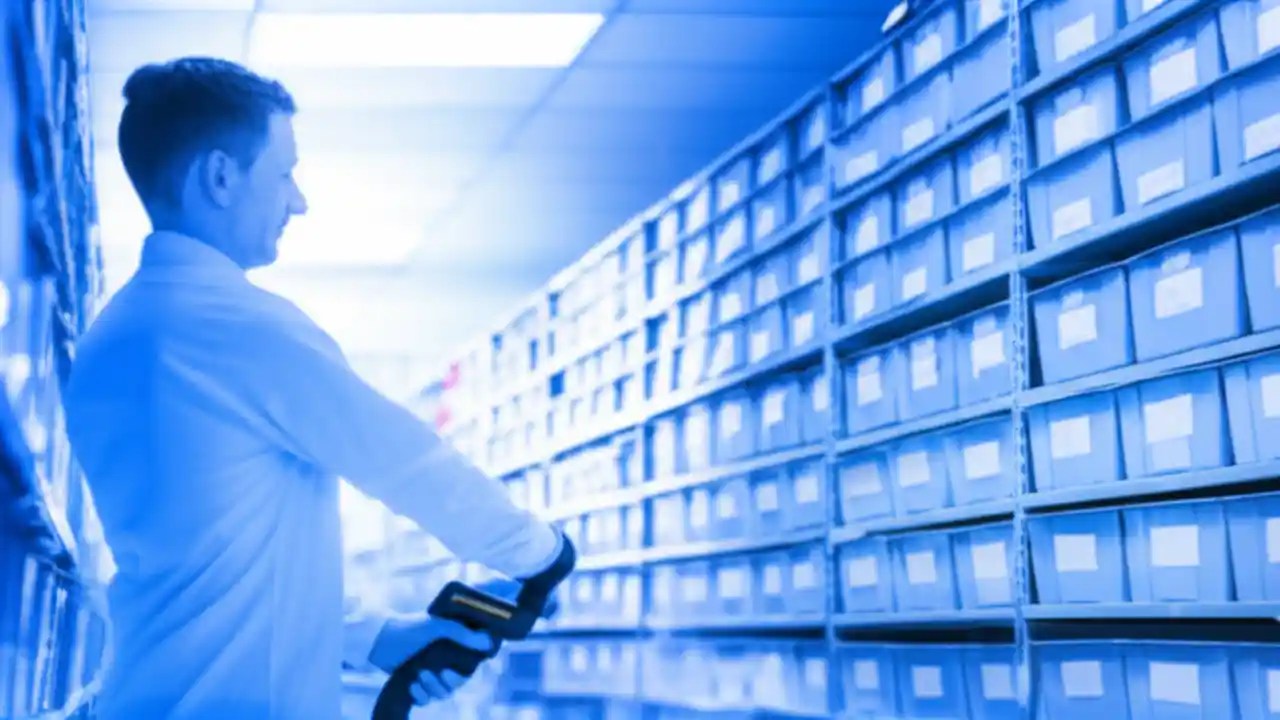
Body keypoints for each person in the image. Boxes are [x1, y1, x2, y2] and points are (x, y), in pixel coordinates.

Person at [63, 56, 564, 719]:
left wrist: (374, 637)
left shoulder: (110, 338)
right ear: (220, 177)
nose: (297, 200)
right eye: (283, 173)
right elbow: (403, 461)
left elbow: (208, 556)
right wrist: (542, 553)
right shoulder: (240, 326)